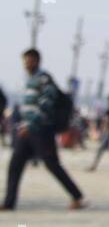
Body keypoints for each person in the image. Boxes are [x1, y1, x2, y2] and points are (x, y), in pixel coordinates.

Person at [3, 49, 87, 211]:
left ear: (37, 61)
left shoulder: (43, 79)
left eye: (29, 61)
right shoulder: (29, 80)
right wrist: (23, 125)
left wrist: (31, 125)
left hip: (41, 131)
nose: (26, 64)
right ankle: (9, 203)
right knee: (15, 165)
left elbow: (46, 105)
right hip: (27, 131)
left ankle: (77, 197)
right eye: (25, 61)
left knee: (52, 165)